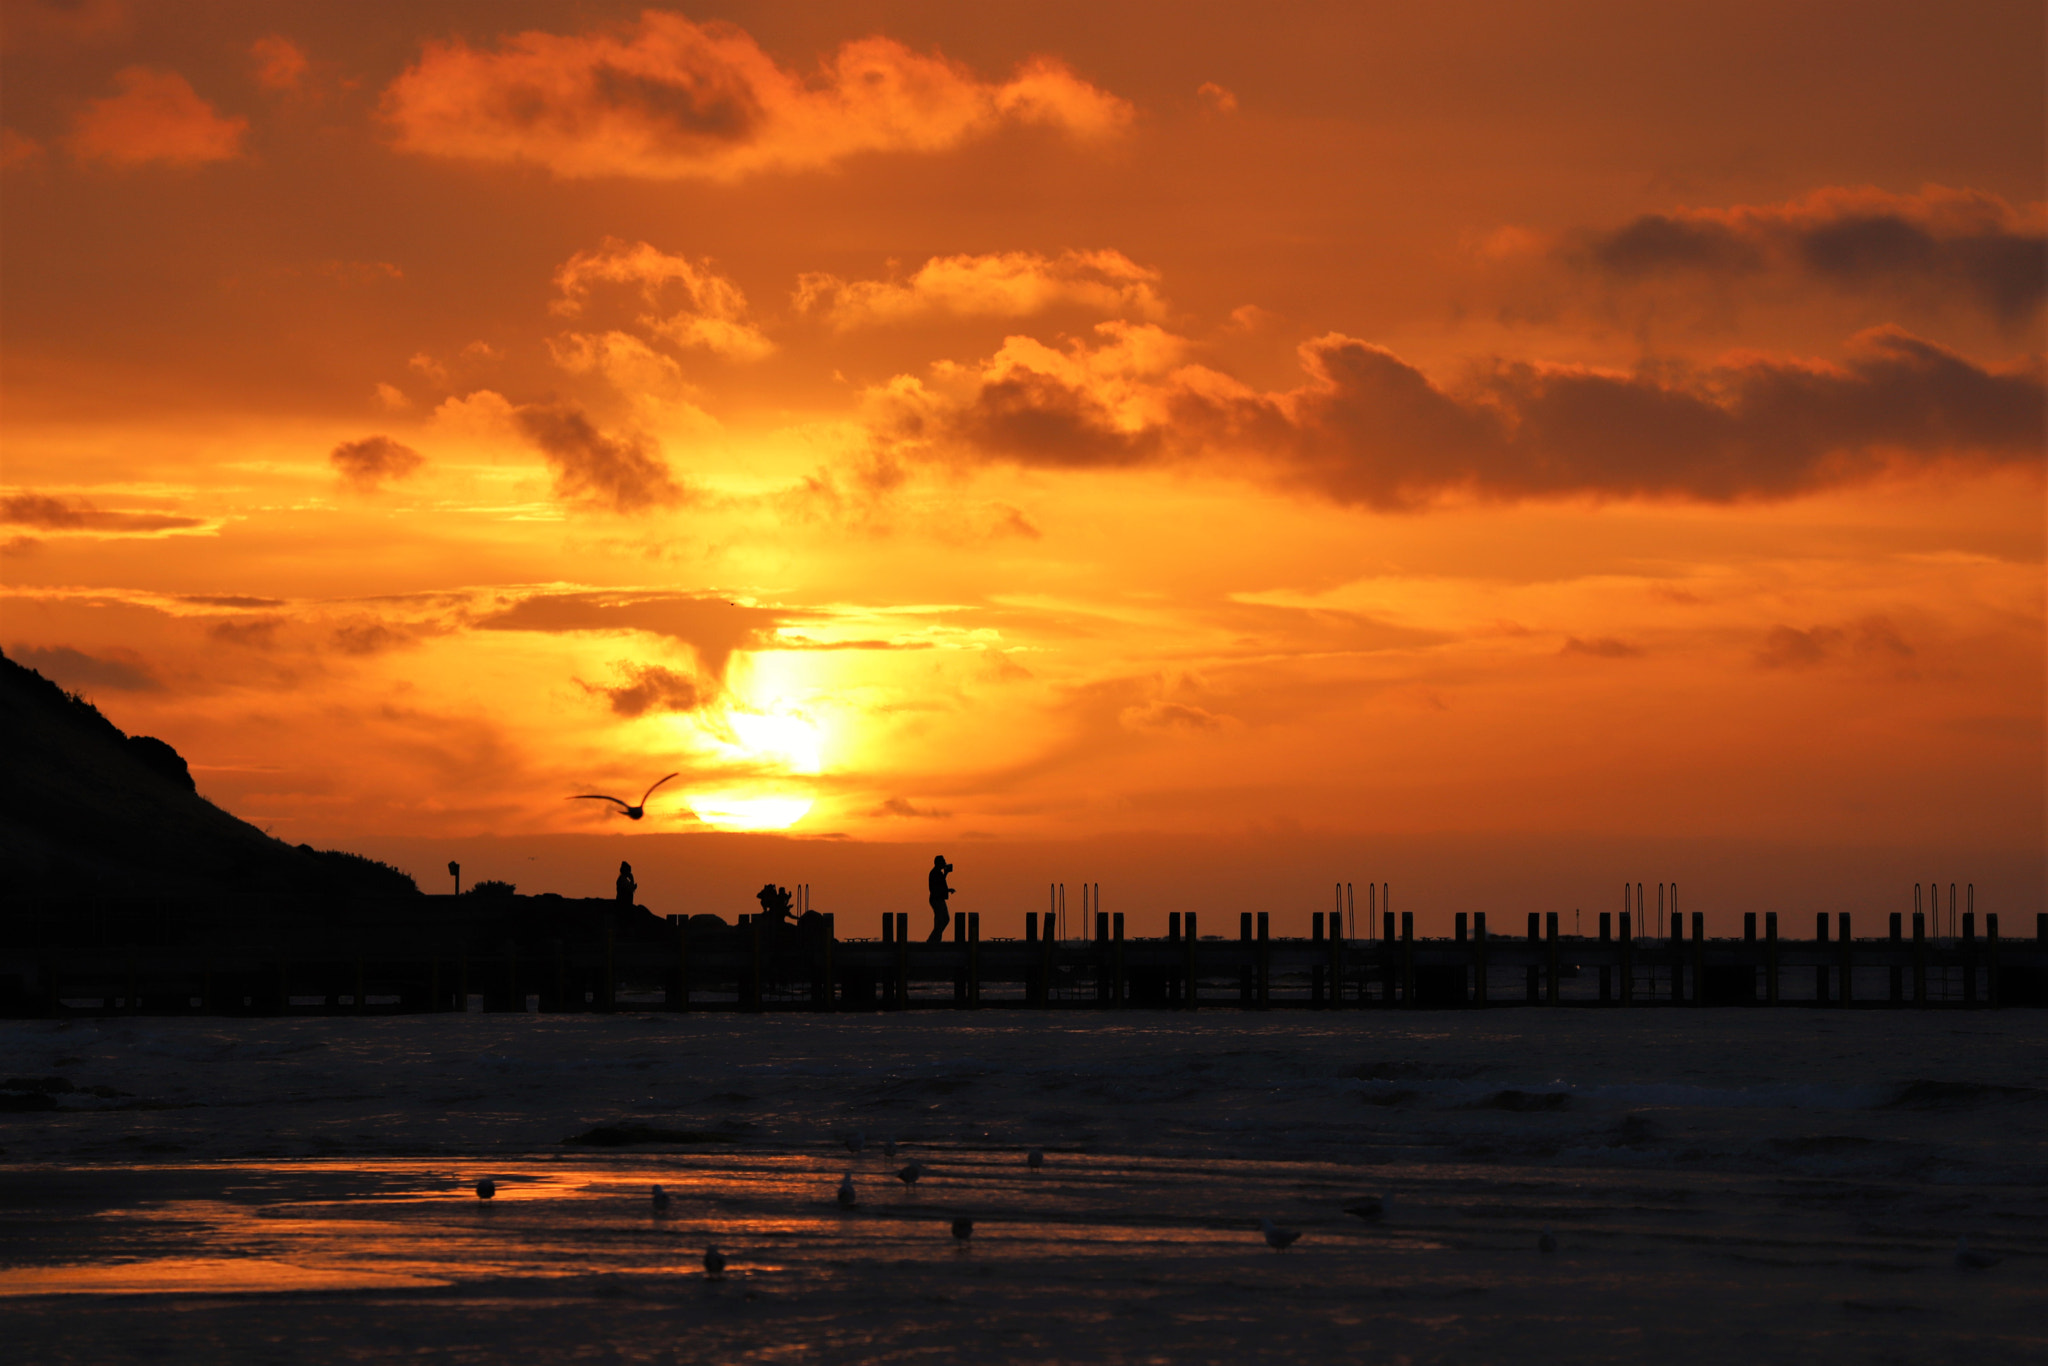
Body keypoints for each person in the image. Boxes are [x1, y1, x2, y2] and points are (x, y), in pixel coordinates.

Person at [925, 855, 954, 942]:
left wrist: (945, 874)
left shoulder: (938, 873)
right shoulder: (934, 873)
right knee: (940, 920)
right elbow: (936, 887)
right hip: (936, 899)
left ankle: (935, 938)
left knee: (944, 919)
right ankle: (933, 939)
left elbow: (940, 884)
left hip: (939, 898)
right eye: (943, 861)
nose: (945, 863)